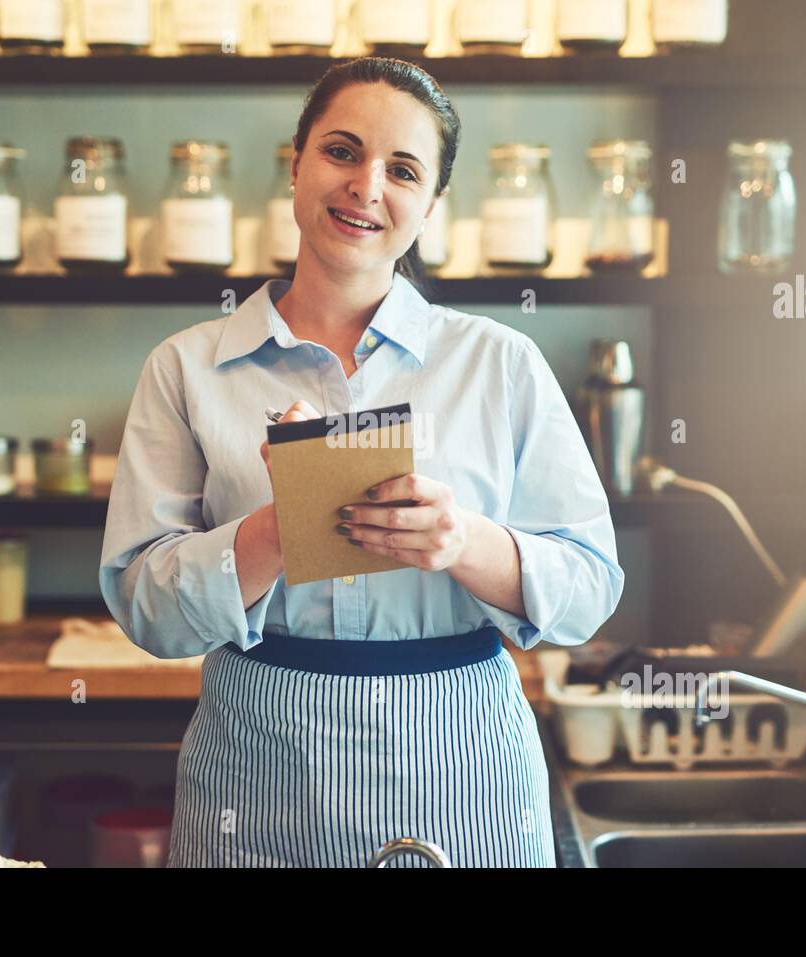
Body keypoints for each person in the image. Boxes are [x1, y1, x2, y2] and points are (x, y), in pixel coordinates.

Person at [99, 57, 624, 867]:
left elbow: (590, 588)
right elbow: (144, 605)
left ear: (433, 203)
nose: (366, 186)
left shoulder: (502, 363)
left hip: (462, 766)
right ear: (297, 163)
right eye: (342, 152)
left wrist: (462, 541)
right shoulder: (185, 367)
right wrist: (281, 527)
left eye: (403, 169)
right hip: (256, 769)